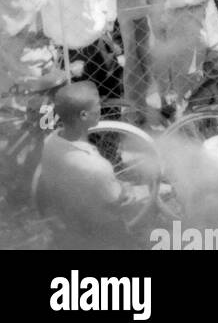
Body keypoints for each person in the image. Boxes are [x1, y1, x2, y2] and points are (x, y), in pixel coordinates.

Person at [35, 83, 143, 249]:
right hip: (100, 231)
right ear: (84, 115)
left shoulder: (51, 142)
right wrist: (137, 191)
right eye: (98, 105)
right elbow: (118, 199)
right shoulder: (96, 167)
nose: (101, 107)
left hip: (64, 221)